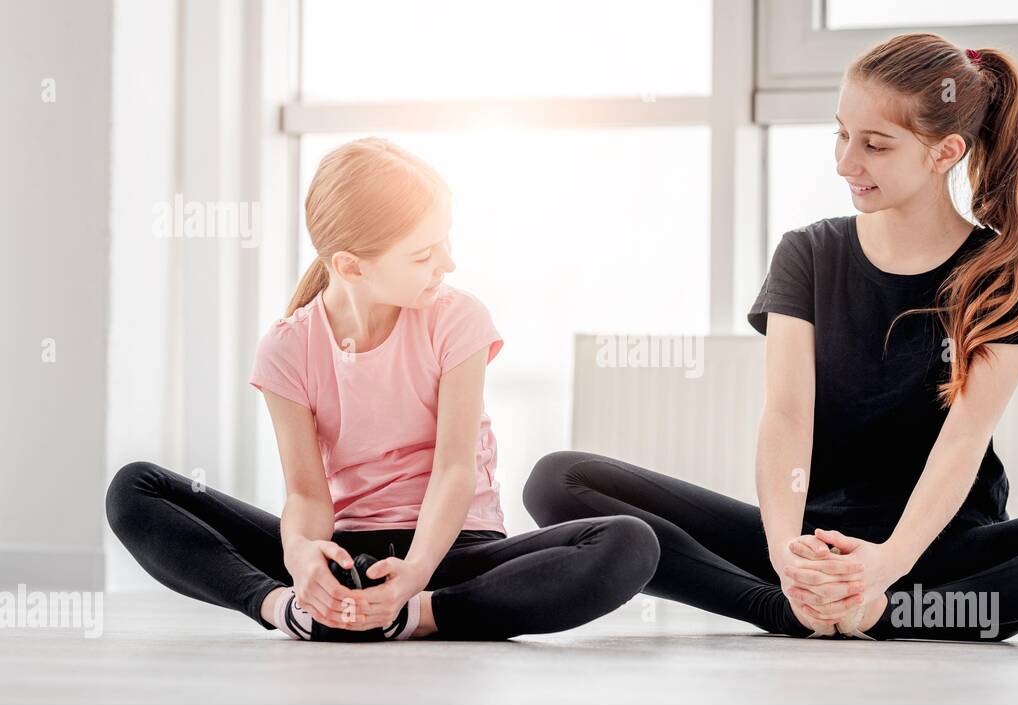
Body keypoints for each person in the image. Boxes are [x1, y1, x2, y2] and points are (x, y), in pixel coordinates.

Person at [522, 34, 1018, 642]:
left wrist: (884, 568)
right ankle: (788, 607)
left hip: (942, 551)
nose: (846, 162)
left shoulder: (1003, 271)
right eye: (841, 135)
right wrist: (787, 553)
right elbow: (787, 414)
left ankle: (888, 614)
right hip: (809, 538)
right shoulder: (808, 252)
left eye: (875, 144)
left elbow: (964, 438)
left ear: (945, 152)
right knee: (560, 480)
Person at [106, 137, 659, 642]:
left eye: (444, 241)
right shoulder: (286, 347)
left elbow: (454, 469)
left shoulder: (457, 318)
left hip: (453, 555)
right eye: (423, 255)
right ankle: (286, 609)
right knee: (135, 488)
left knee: (629, 542)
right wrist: (302, 558)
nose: (447, 263)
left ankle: (418, 615)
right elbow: (307, 494)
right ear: (351, 266)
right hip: (347, 553)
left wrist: (414, 575)